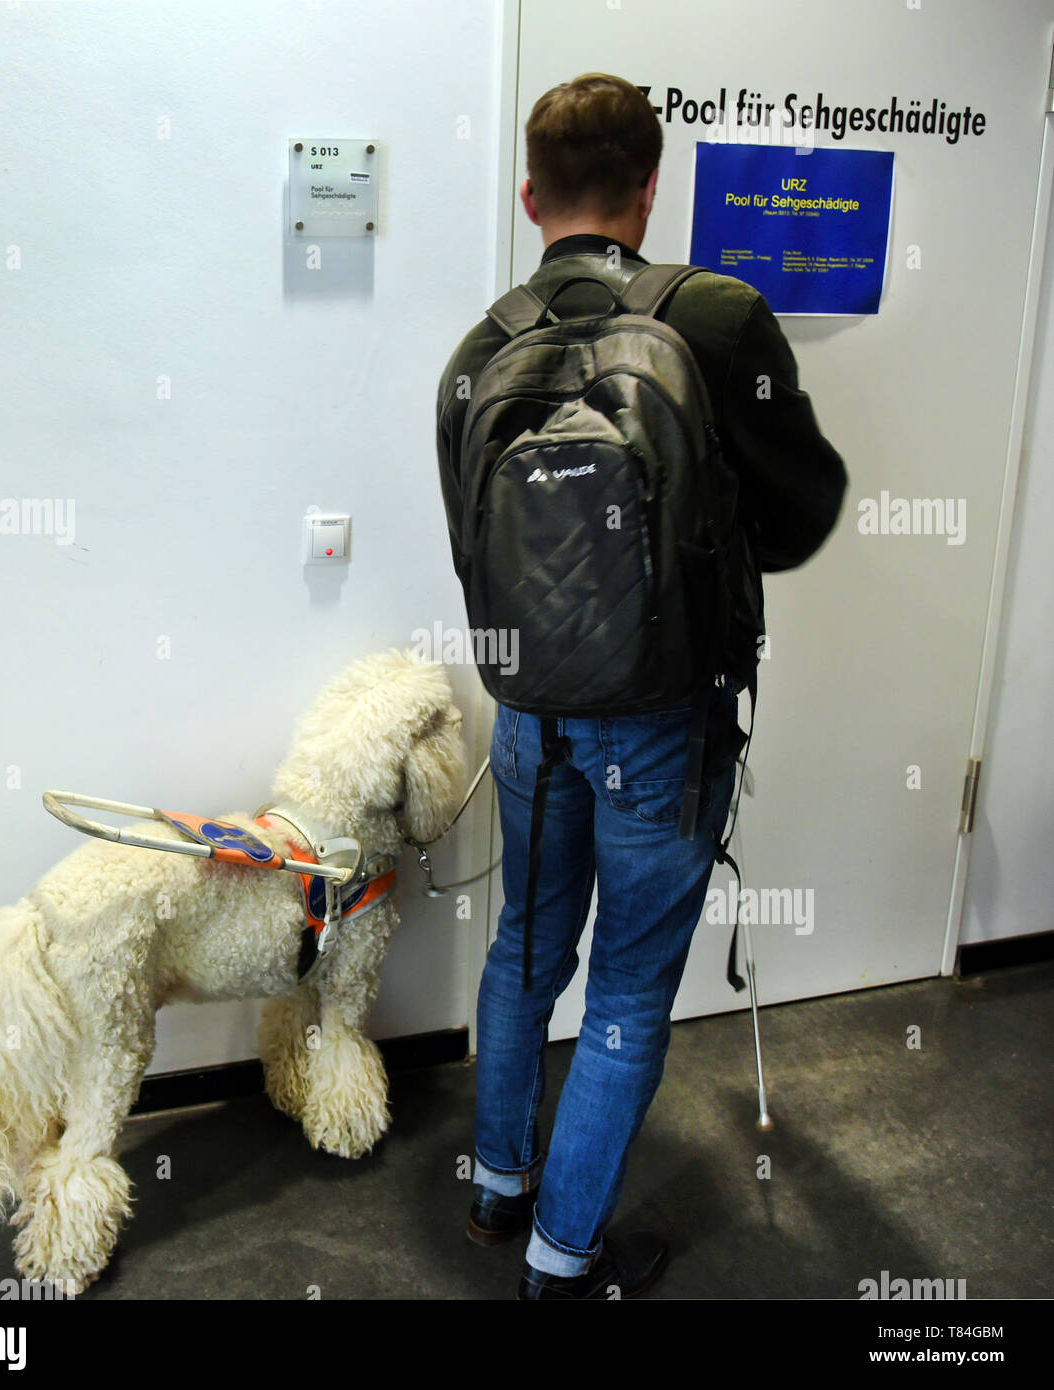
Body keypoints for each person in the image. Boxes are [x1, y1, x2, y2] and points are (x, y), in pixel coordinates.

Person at [435, 72, 848, 1300]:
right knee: (624, 987)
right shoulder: (716, 316)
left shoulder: (481, 346)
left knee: (523, 951)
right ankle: (566, 1263)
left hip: (528, 718)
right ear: (650, 187)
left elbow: (472, 543)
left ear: (529, 195)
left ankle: (498, 1191)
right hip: (662, 723)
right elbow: (803, 505)